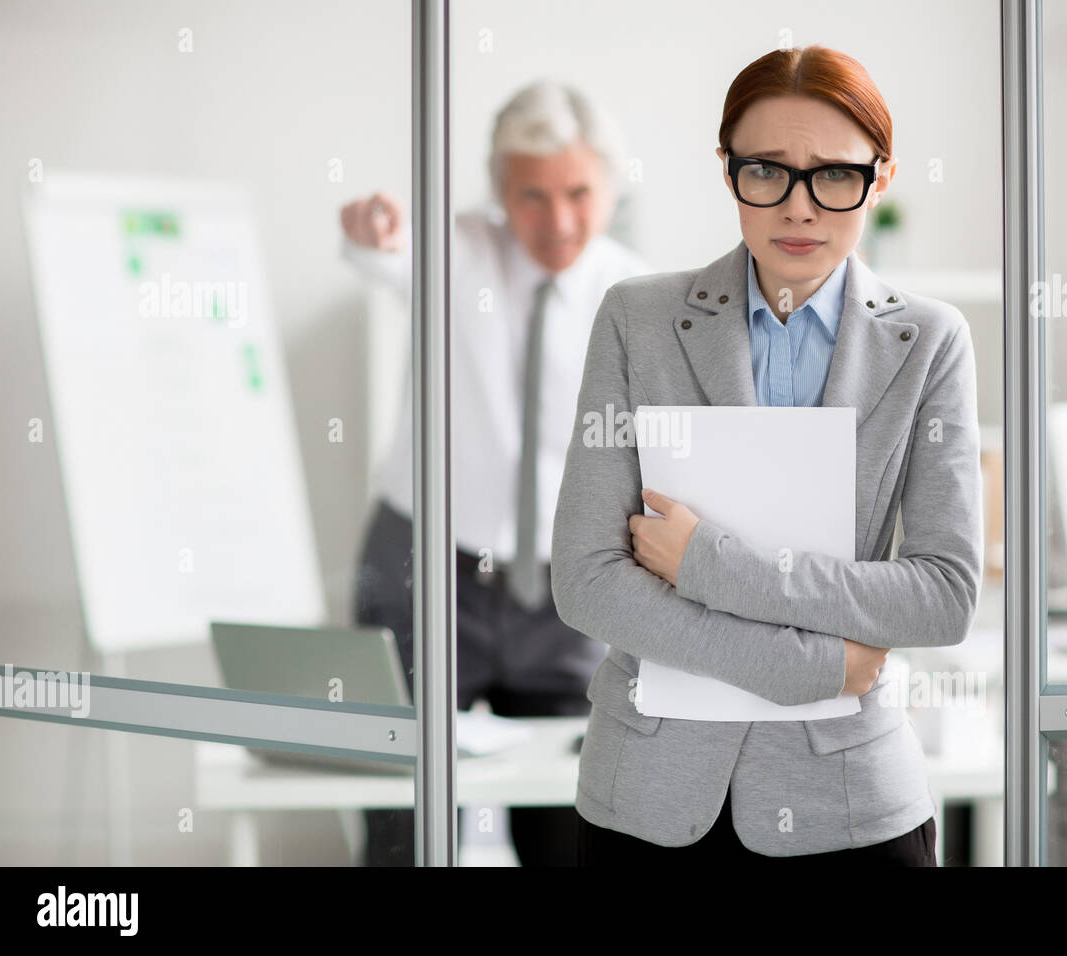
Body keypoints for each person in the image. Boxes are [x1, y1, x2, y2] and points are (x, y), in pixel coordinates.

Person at [552, 45, 983, 866]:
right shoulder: (636, 320)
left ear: (880, 177)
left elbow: (943, 596)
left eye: (834, 176)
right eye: (767, 172)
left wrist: (707, 562)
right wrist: (807, 666)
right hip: (650, 795)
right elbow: (586, 579)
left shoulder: (928, 342)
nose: (799, 208)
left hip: (850, 801)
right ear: (728, 171)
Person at [341, 81, 650, 866]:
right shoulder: (456, 249)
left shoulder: (639, 296)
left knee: (573, 824)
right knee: (403, 819)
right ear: (499, 191)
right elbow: (388, 252)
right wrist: (371, 234)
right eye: (531, 197)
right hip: (425, 571)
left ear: (611, 186)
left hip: (565, 592)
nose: (559, 222)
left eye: (580, 193)